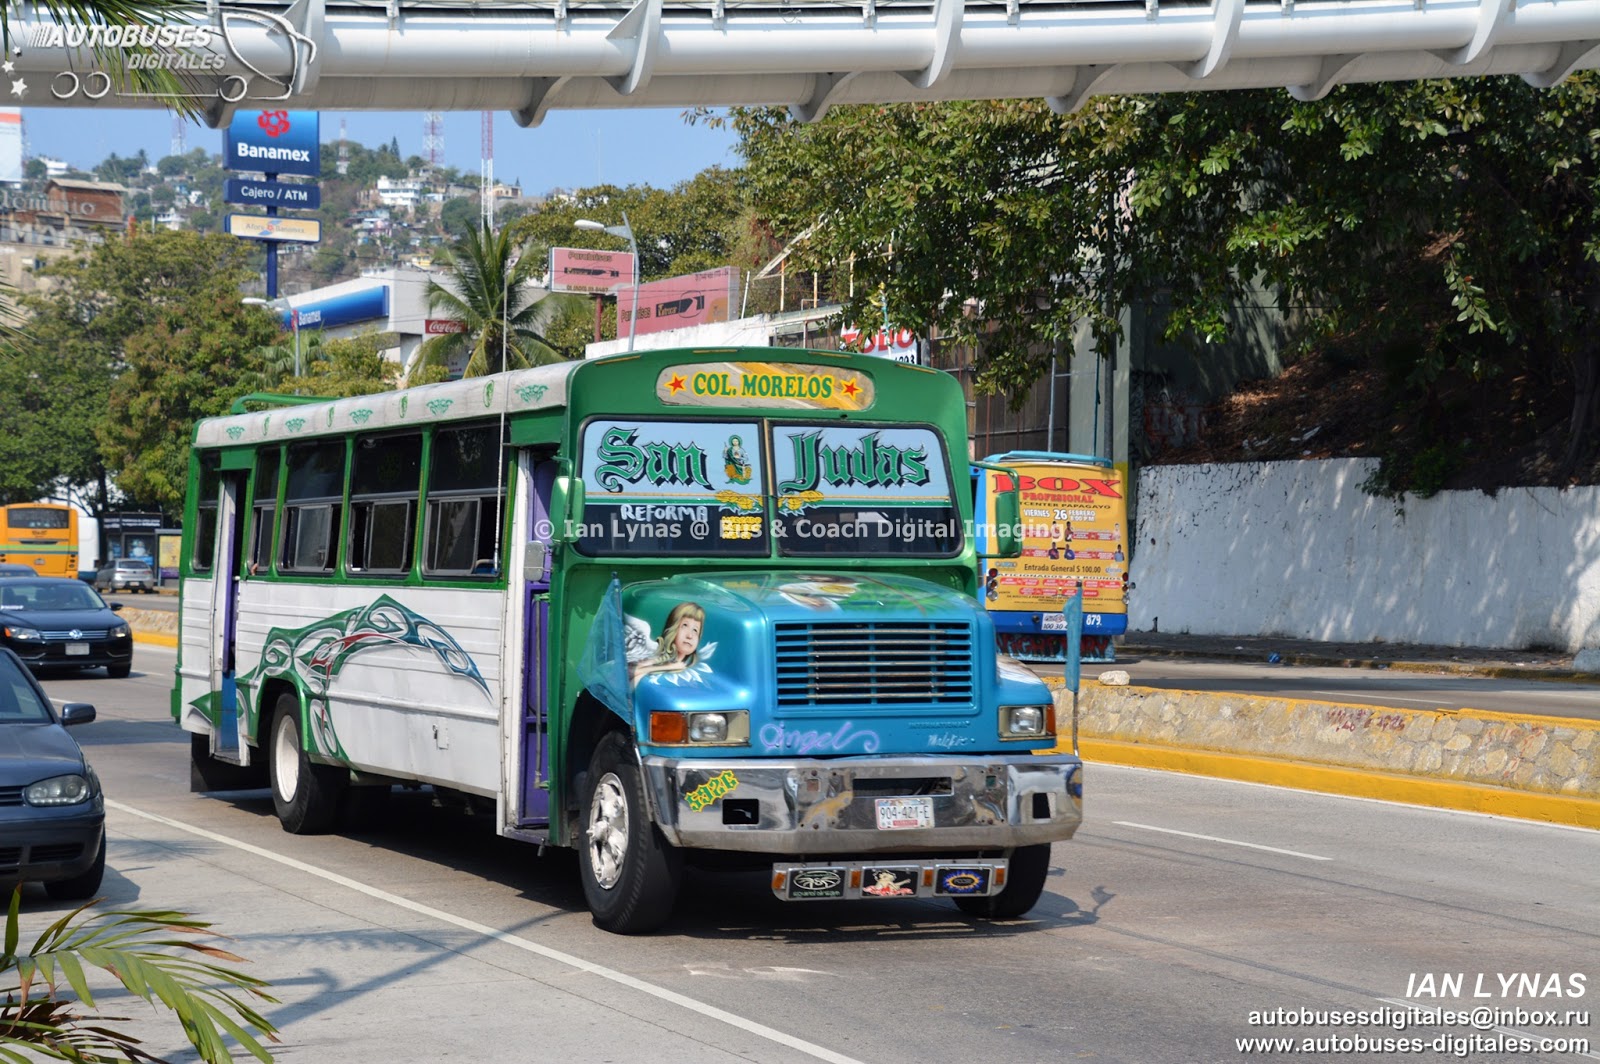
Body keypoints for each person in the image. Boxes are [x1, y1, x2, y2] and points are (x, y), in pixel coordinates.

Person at [629, 601, 706, 685]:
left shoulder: (692, 671)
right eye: (684, 625)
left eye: (695, 630)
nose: (690, 635)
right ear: (673, 627)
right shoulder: (655, 652)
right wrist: (669, 667)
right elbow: (629, 672)